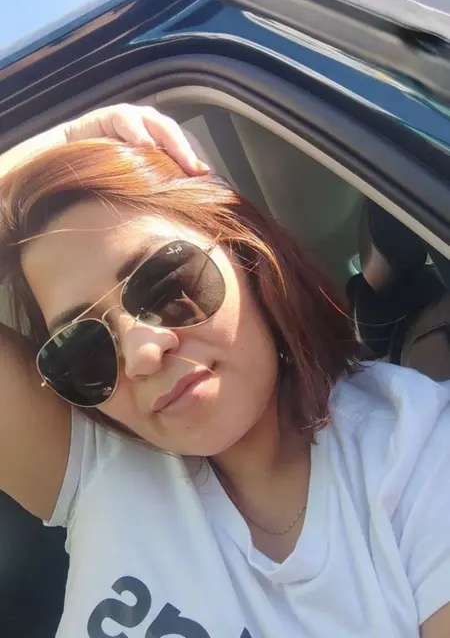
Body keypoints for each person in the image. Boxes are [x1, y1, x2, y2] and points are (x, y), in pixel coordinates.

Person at [0, 105, 449, 638]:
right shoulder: (94, 459)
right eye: (82, 348)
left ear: (245, 254)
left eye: (167, 283)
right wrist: (61, 140)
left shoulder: (418, 451)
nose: (143, 354)